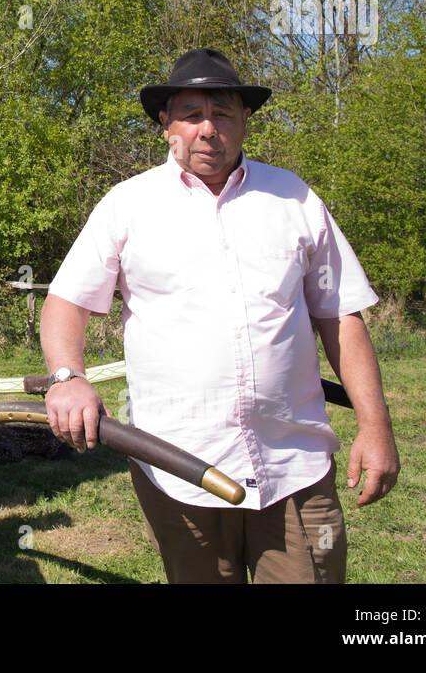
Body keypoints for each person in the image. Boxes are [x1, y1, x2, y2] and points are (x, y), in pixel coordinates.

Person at [41, 48, 400, 583]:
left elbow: (340, 316)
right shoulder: (127, 205)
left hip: (293, 467)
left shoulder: (294, 198)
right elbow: (65, 302)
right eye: (190, 113)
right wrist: (68, 378)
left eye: (223, 113)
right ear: (166, 125)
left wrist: (375, 428)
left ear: (244, 121)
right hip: (178, 469)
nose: (208, 129)